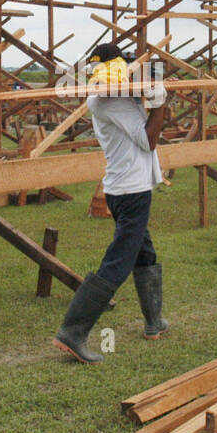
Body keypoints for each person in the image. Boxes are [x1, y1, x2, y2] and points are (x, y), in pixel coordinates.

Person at [53, 43, 170, 363]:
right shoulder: (109, 101)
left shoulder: (113, 94)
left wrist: (152, 82)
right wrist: (160, 104)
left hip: (125, 188)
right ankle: (73, 331)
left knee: (144, 253)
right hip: (131, 191)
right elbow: (149, 139)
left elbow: (147, 79)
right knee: (120, 260)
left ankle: (154, 322)